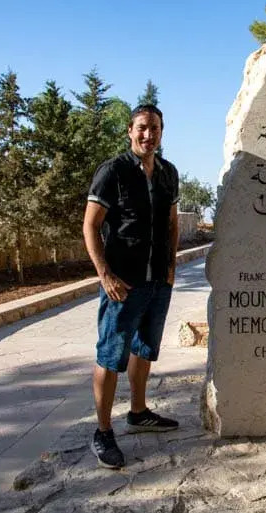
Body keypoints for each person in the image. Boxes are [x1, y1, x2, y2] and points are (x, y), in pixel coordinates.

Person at [82, 104, 180, 469]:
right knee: (110, 356)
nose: (148, 134)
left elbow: (171, 224)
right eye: (142, 128)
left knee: (144, 349)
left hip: (157, 281)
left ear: (161, 131)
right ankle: (103, 432)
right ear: (130, 130)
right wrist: (104, 274)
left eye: (154, 128)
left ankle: (138, 412)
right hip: (122, 283)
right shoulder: (113, 171)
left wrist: (169, 268)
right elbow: (90, 226)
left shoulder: (168, 173)